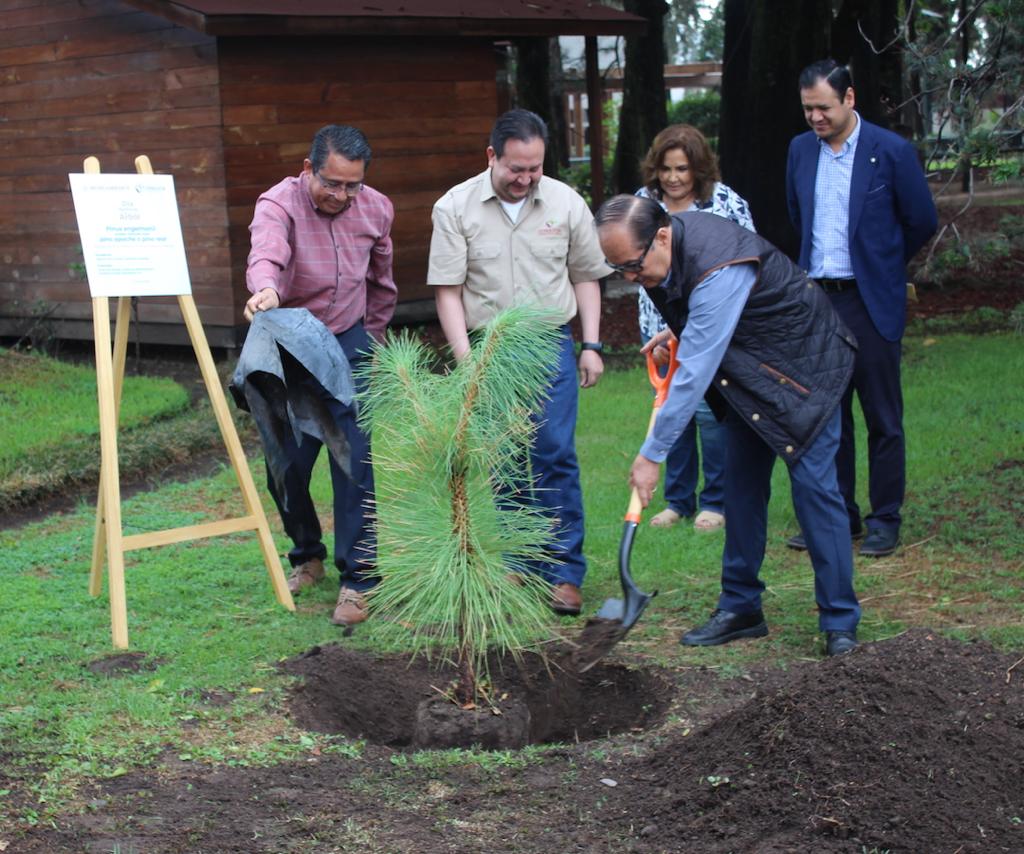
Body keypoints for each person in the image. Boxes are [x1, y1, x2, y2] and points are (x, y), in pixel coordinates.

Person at [595, 194, 861, 656]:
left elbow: (695, 372)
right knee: (740, 491)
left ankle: (840, 621)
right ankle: (741, 608)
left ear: (661, 236)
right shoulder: (668, 248)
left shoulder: (719, 264)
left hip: (804, 376)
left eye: (633, 267)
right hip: (749, 378)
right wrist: (680, 331)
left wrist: (651, 454)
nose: (632, 279)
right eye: (619, 271)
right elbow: (708, 319)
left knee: (816, 496)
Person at [426, 108, 610, 616]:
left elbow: (586, 276)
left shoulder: (566, 203)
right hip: (488, 345)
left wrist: (590, 344)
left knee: (553, 454)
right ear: (492, 156)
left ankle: (564, 572)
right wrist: (469, 363)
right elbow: (448, 291)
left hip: (548, 342)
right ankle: (521, 563)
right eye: (515, 169)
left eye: (534, 168)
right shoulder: (455, 207)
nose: (525, 179)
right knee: (504, 458)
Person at [244, 124, 397, 627]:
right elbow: (266, 251)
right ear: (308, 168)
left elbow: (381, 279)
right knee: (284, 462)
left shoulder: (377, 208)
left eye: (352, 185)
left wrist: (370, 341)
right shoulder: (278, 204)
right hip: (286, 339)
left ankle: (359, 579)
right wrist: (265, 288)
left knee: (354, 457)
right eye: (331, 183)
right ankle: (306, 552)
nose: (341, 195)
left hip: (348, 341)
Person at [786, 60, 937, 557]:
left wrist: (884, 267)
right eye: (808, 109)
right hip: (818, 303)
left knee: (882, 416)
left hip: (870, 300)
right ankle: (840, 516)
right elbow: (796, 216)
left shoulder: (889, 151)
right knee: (829, 417)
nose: (815, 118)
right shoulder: (800, 151)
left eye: (823, 108)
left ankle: (885, 518)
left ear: (849, 99)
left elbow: (920, 220)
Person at [635, 124, 755, 532]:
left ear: (698, 169)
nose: (673, 178)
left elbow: (749, 258)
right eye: (666, 168)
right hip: (659, 327)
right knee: (672, 412)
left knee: (707, 411)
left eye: (682, 169)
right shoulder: (643, 205)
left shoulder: (724, 203)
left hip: (709, 325)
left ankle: (716, 501)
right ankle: (677, 500)